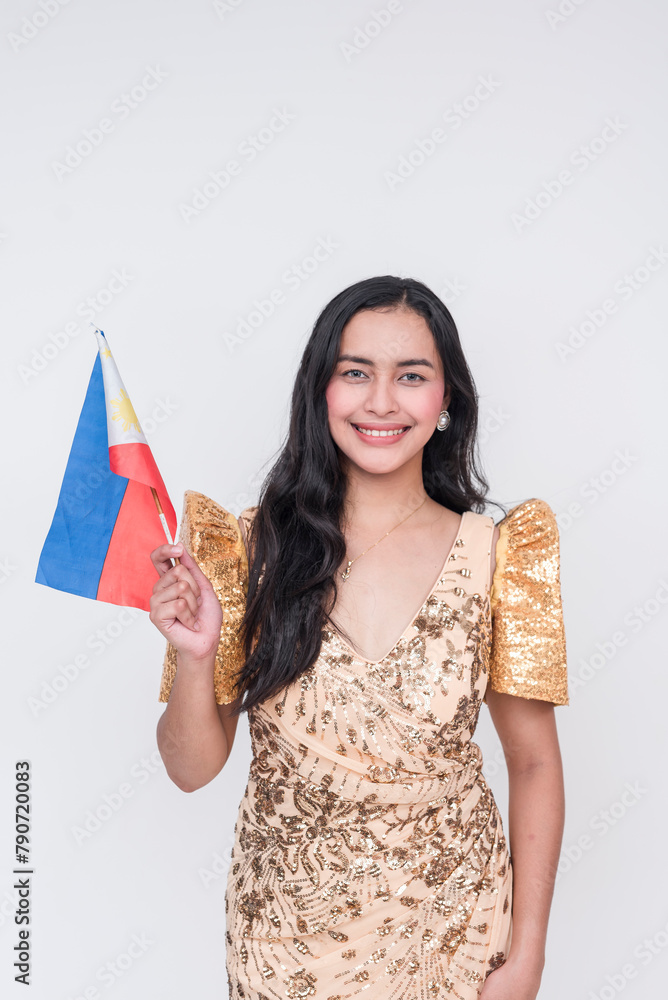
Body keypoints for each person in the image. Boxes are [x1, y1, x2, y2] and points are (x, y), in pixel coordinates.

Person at [150, 275, 568, 1000]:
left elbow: (532, 763)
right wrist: (194, 657)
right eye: (355, 374)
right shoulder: (246, 550)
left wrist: (527, 953)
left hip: (457, 934)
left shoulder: (499, 555)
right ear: (320, 393)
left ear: (447, 401)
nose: (381, 402)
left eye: (411, 376)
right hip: (285, 943)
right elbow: (190, 770)